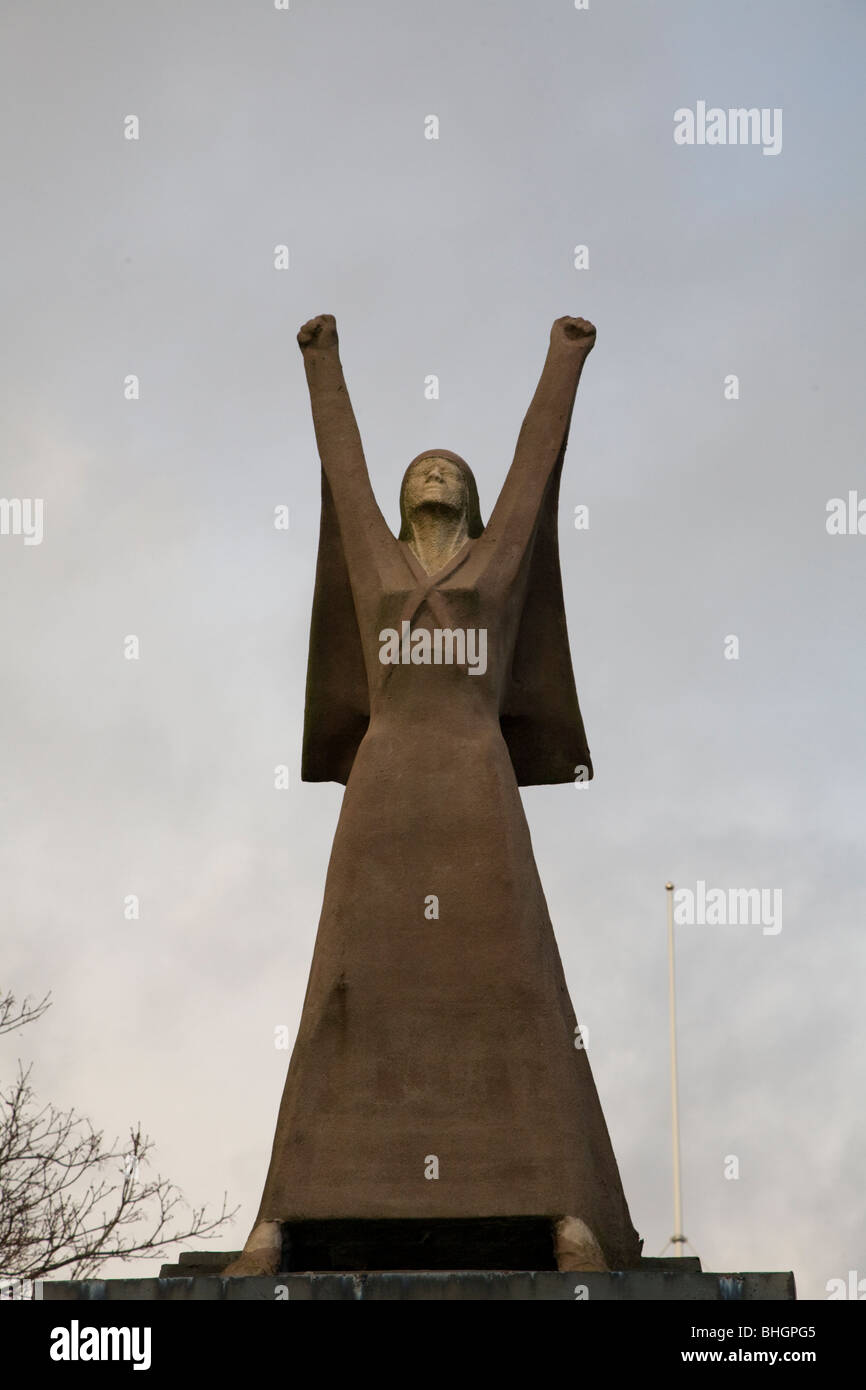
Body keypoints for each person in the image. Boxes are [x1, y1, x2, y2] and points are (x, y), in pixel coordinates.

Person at [225, 314, 640, 1276]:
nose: (436, 472)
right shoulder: (376, 563)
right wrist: (321, 363)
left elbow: (538, 477)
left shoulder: (496, 565)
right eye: (422, 468)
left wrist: (563, 360)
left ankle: (563, 1215)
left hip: (477, 792)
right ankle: (280, 1221)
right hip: (382, 800)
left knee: (516, 990)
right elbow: (341, 472)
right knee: (346, 987)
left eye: (452, 467)